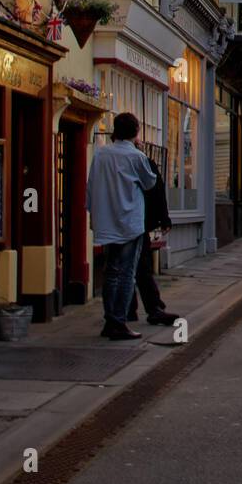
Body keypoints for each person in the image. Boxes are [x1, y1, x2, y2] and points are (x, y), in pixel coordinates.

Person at [86, 112, 158, 340]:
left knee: (110, 272)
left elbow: (91, 186)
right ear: (136, 132)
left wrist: (92, 213)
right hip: (130, 223)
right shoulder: (136, 157)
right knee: (127, 273)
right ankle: (118, 320)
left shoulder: (100, 155)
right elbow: (150, 182)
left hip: (106, 220)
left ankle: (110, 319)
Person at [127, 155, 181, 327]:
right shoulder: (141, 160)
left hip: (115, 225)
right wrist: (163, 218)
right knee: (141, 268)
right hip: (136, 223)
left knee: (118, 271)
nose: (141, 141)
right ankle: (153, 308)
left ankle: (125, 310)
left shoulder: (103, 158)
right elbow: (156, 189)